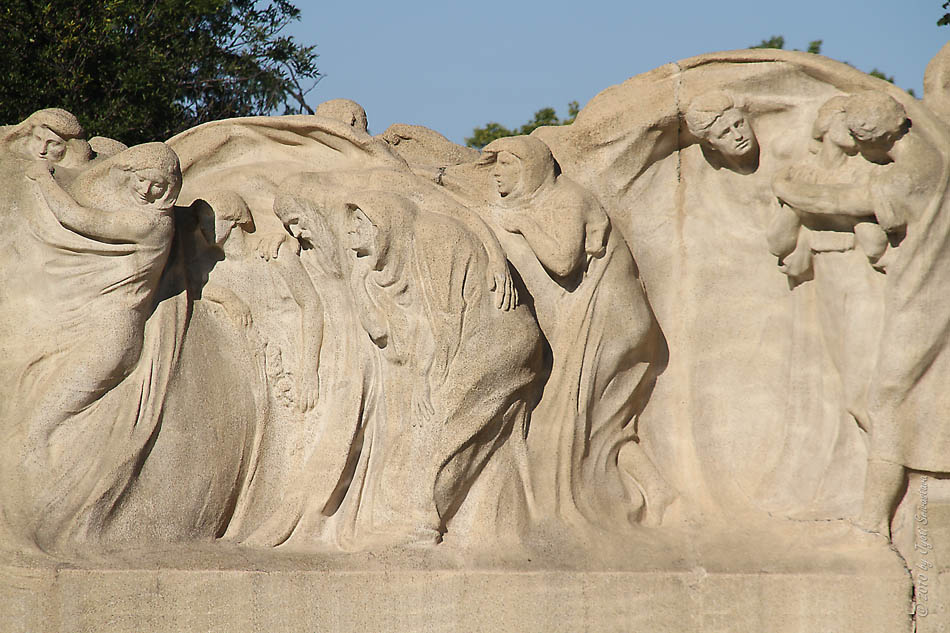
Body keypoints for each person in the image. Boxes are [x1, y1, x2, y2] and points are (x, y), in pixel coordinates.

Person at [479, 135, 676, 529]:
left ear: (531, 167)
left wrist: (520, 223)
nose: (497, 172)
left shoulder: (566, 198)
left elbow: (563, 260)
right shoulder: (544, 201)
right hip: (611, 321)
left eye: (506, 164)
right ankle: (658, 491)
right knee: (604, 422)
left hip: (610, 322)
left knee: (563, 418)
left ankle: (576, 517)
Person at [332, 190, 543, 545]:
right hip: (466, 348)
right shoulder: (388, 267)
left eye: (359, 223)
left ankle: (419, 524)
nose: (350, 232)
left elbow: (448, 320)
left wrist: (433, 381)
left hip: (498, 342)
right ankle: (423, 518)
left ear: (384, 224)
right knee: (422, 434)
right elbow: (384, 333)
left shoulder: (433, 239)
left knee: (436, 430)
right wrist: (357, 281)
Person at [768, 92, 907, 282]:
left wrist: (804, 199)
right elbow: (777, 245)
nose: (852, 126)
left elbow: (875, 246)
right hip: (820, 278)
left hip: (861, 275)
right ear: (826, 122)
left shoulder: (866, 172)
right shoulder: (799, 174)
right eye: (845, 118)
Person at [684, 91, 760, 175]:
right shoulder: (709, 179)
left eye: (738, 125)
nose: (738, 136)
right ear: (710, 144)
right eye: (725, 133)